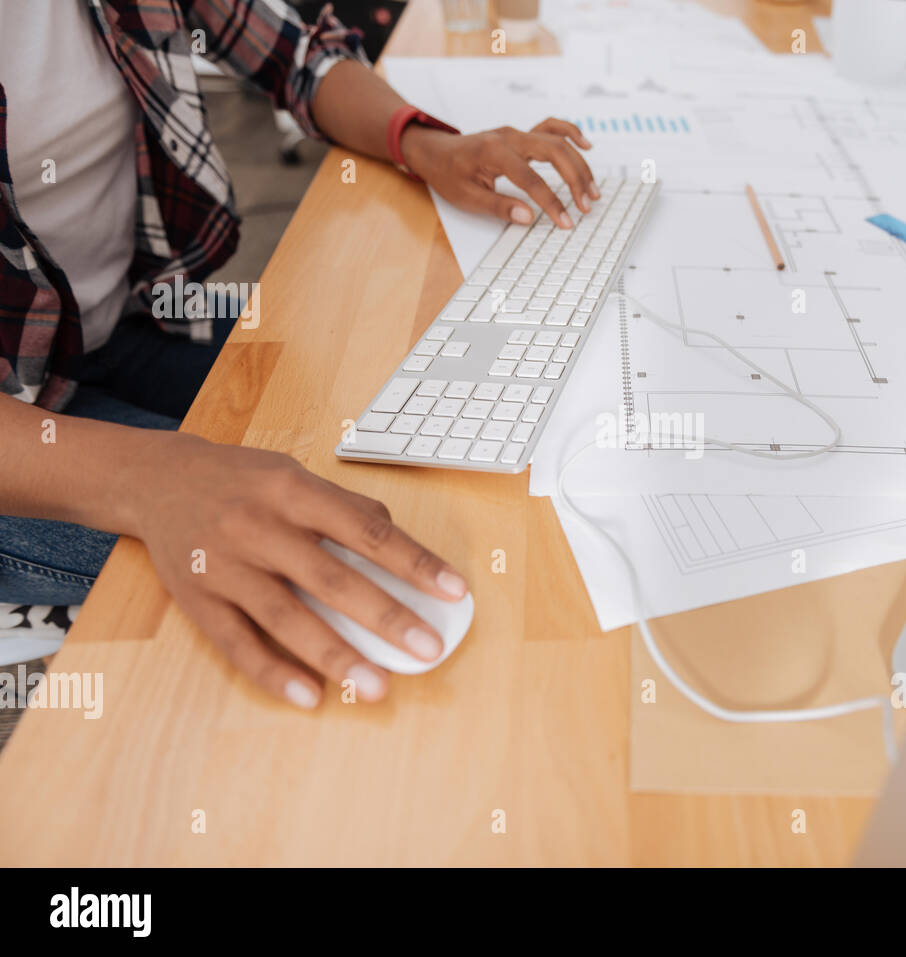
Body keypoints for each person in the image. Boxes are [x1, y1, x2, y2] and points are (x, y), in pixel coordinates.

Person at [0, 0, 597, 708]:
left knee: (395, 420)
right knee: (289, 558)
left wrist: (421, 143)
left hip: (118, 325)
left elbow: (297, 54)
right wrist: (148, 478)